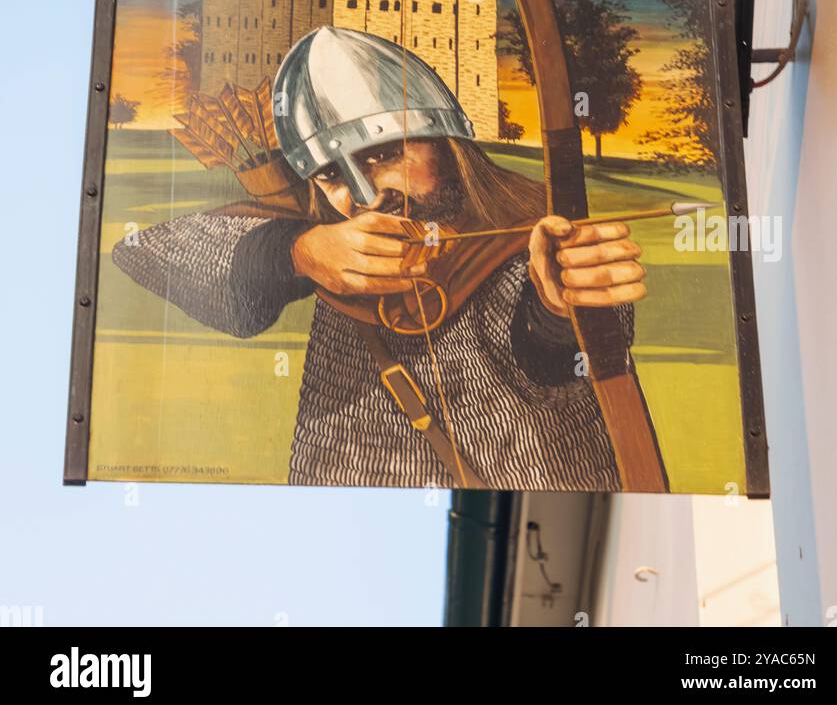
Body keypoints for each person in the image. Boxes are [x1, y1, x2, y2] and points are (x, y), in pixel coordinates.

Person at [114, 27, 647, 489]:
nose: (364, 197)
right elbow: (144, 250)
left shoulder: (525, 226)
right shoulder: (328, 233)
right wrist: (296, 252)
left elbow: (556, 362)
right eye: (330, 175)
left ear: (446, 143)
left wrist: (555, 308)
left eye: (385, 155)